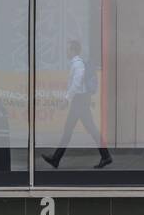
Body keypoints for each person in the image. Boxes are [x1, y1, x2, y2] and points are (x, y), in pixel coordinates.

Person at [42, 40, 112, 169]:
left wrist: (67, 99)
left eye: (68, 49)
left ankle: (56, 159)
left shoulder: (78, 64)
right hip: (80, 101)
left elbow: (77, 83)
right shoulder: (76, 64)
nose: (66, 52)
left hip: (80, 101)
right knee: (80, 130)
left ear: (73, 50)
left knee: (73, 130)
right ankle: (105, 156)